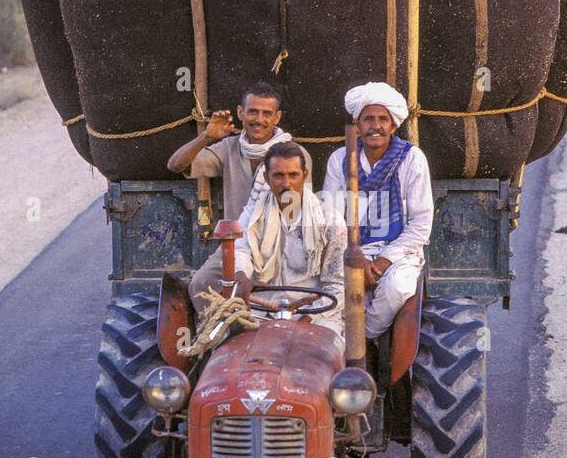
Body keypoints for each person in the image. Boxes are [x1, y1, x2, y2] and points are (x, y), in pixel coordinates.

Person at [169, 81, 311, 314]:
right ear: (240, 113)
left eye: (267, 113)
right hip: (236, 245)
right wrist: (207, 137)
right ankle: (221, 338)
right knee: (201, 285)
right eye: (253, 111)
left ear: (277, 118)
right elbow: (176, 165)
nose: (259, 119)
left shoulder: (295, 155)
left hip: (281, 244)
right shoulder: (229, 148)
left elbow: (297, 214)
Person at [321, 82, 432, 340]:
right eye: (368, 119)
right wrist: (355, 259)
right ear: (357, 125)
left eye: (383, 119)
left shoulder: (411, 159)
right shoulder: (341, 158)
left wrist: (381, 264)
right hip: (348, 250)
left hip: (397, 254)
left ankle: (361, 339)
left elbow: (420, 224)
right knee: (324, 293)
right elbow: (332, 217)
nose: (376, 126)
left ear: (393, 125)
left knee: (397, 289)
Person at [230, 142, 346, 352]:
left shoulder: (329, 220)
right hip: (260, 312)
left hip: (316, 315)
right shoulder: (253, 214)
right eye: (278, 176)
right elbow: (241, 250)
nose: (287, 183)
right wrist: (241, 274)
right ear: (267, 178)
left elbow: (336, 286)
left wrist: (305, 321)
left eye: (293, 175)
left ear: (305, 175)